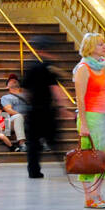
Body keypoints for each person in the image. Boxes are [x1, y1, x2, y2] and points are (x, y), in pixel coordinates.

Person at [73, 32, 105, 208]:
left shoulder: (100, 66)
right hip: (91, 117)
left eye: (104, 44)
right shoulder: (83, 68)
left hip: (104, 116)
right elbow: (80, 98)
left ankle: (97, 194)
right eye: (100, 44)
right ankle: (89, 197)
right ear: (90, 47)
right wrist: (83, 123)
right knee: (91, 157)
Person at [21, 40, 70, 179]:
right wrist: (63, 107)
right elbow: (55, 89)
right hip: (47, 110)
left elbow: (24, 89)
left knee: (33, 144)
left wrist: (29, 106)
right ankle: (65, 165)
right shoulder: (48, 67)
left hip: (32, 110)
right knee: (54, 140)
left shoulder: (29, 66)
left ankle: (33, 171)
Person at [0, 76, 29, 150]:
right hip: (12, 122)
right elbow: (9, 110)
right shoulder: (6, 97)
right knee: (18, 116)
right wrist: (22, 116)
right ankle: (22, 143)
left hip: (28, 121)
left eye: (15, 80)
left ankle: (42, 141)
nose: (13, 81)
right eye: (10, 81)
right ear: (7, 87)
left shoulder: (27, 95)